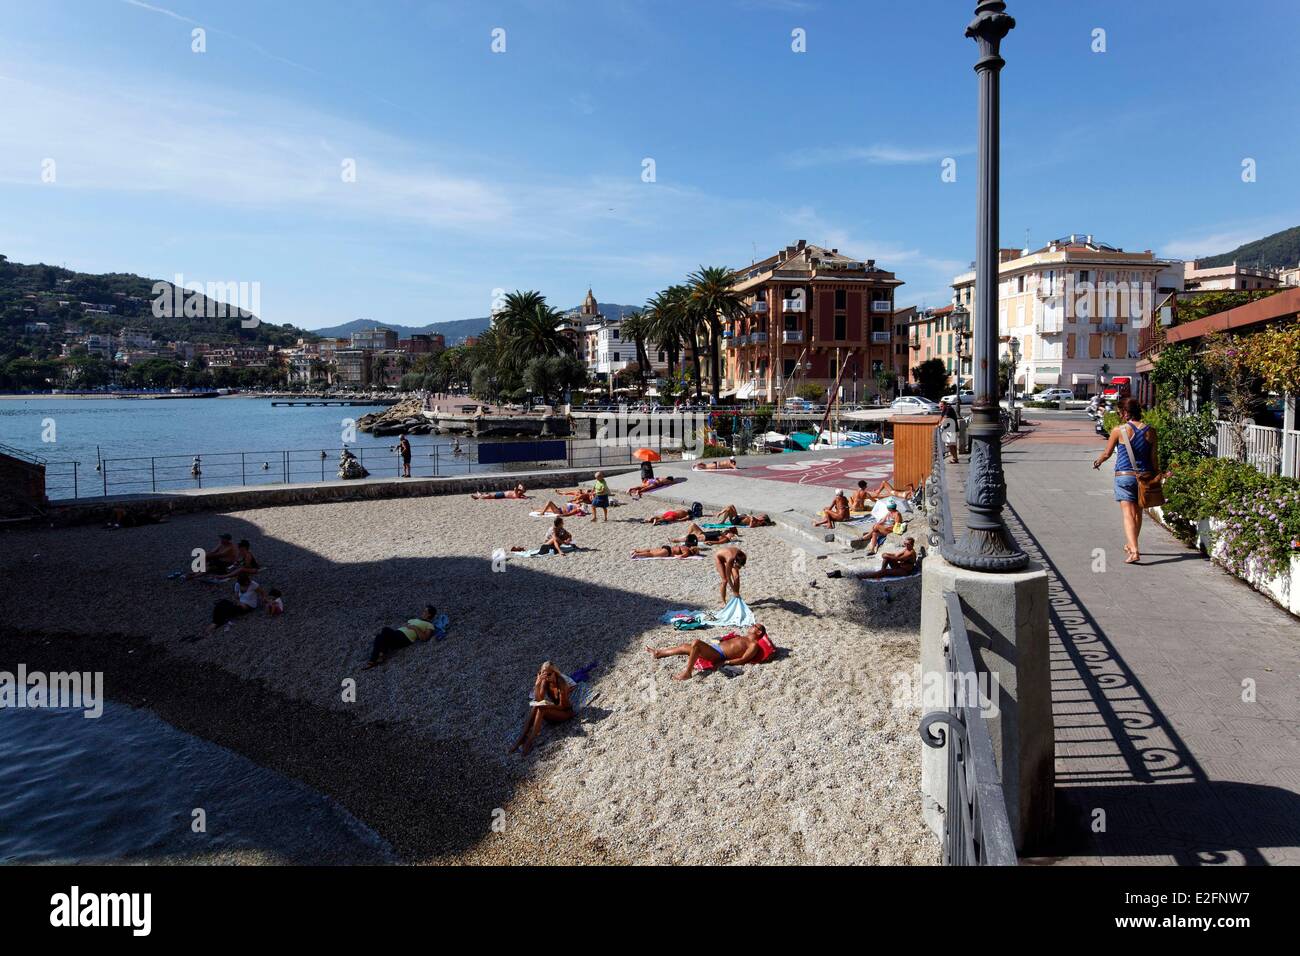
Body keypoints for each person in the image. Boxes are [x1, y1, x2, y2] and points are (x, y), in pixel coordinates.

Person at [1093, 396, 1161, 564]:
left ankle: (1134, 550)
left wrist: (1098, 462)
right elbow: (1154, 459)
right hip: (1144, 478)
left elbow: (1107, 453)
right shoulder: (1151, 431)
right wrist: (1157, 475)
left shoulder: (1119, 430)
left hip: (1124, 477)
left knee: (1128, 514)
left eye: (1119, 412)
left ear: (1124, 413)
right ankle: (1131, 545)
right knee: (1137, 514)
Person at [645, 623, 772, 681]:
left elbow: (744, 659)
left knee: (696, 643)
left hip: (719, 655)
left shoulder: (753, 644)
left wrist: (726, 662)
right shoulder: (743, 637)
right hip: (714, 648)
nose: (752, 626)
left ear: (759, 632)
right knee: (685, 646)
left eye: (755, 626)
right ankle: (659, 653)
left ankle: (688, 672)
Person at [509, 661, 578, 756]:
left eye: (549, 674)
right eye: (543, 674)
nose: (546, 677)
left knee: (542, 708)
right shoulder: (545, 681)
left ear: (555, 673)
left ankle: (529, 741)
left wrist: (548, 705)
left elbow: (563, 706)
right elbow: (539, 698)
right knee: (536, 706)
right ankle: (521, 737)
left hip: (566, 713)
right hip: (555, 712)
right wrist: (537, 685)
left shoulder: (561, 683)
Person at [364, 604, 440, 669]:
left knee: (385, 629)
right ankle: (379, 657)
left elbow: (425, 638)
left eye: (425, 611)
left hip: (404, 638)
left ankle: (375, 658)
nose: (423, 612)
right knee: (379, 636)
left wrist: (415, 628)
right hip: (397, 634)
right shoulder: (415, 619)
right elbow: (405, 625)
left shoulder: (429, 625)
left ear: (429, 614)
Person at [204, 571, 266, 637]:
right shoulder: (237, 585)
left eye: (248, 581)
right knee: (221, 603)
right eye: (245, 582)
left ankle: (215, 623)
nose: (248, 583)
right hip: (239, 604)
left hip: (248, 606)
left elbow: (263, 593)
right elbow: (236, 597)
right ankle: (215, 622)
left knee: (226, 609)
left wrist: (264, 599)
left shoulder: (253, 585)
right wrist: (238, 602)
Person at [631, 535, 700, 559]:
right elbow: (682, 556)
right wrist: (676, 556)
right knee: (652, 554)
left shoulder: (685, 547)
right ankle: (637, 554)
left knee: (650, 550)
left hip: (667, 547)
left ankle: (636, 550)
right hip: (668, 552)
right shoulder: (687, 551)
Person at [672, 523, 741, 545]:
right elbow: (732, 528)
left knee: (692, 538)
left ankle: (676, 540)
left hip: (706, 537)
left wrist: (710, 542)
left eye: (731, 533)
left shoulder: (726, 539)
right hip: (704, 533)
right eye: (730, 532)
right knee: (693, 525)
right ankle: (687, 535)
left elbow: (719, 542)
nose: (729, 532)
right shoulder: (724, 533)